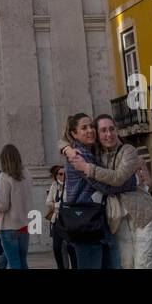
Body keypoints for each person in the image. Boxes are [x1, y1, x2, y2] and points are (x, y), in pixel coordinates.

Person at [64, 115, 152, 268]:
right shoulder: (93, 154)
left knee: (144, 264)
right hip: (114, 220)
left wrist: (88, 168)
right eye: (103, 130)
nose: (108, 134)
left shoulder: (128, 150)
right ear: (98, 134)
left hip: (143, 216)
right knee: (126, 265)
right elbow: (107, 188)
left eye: (111, 129)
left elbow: (118, 178)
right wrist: (66, 148)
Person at [58, 112, 111, 268]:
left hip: (91, 219)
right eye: (84, 128)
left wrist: (65, 147)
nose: (90, 130)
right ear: (74, 134)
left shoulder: (88, 151)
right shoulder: (79, 155)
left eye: (91, 126)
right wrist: (124, 182)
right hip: (86, 220)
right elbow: (103, 186)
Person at [0, 143, 34, 269]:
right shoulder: (27, 173)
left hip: (9, 226)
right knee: (23, 261)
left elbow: (3, 205)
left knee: (14, 263)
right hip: (25, 224)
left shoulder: (4, 176)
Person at [45, 165, 75, 269]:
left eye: (65, 174)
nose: (63, 176)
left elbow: (68, 203)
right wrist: (59, 205)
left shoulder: (70, 185)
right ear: (56, 175)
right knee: (56, 247)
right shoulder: (54, 186)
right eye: (61, 174)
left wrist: (56, 205)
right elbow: (48, 202)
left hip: (69, 221)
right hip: (56, 220)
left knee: (71, 247)